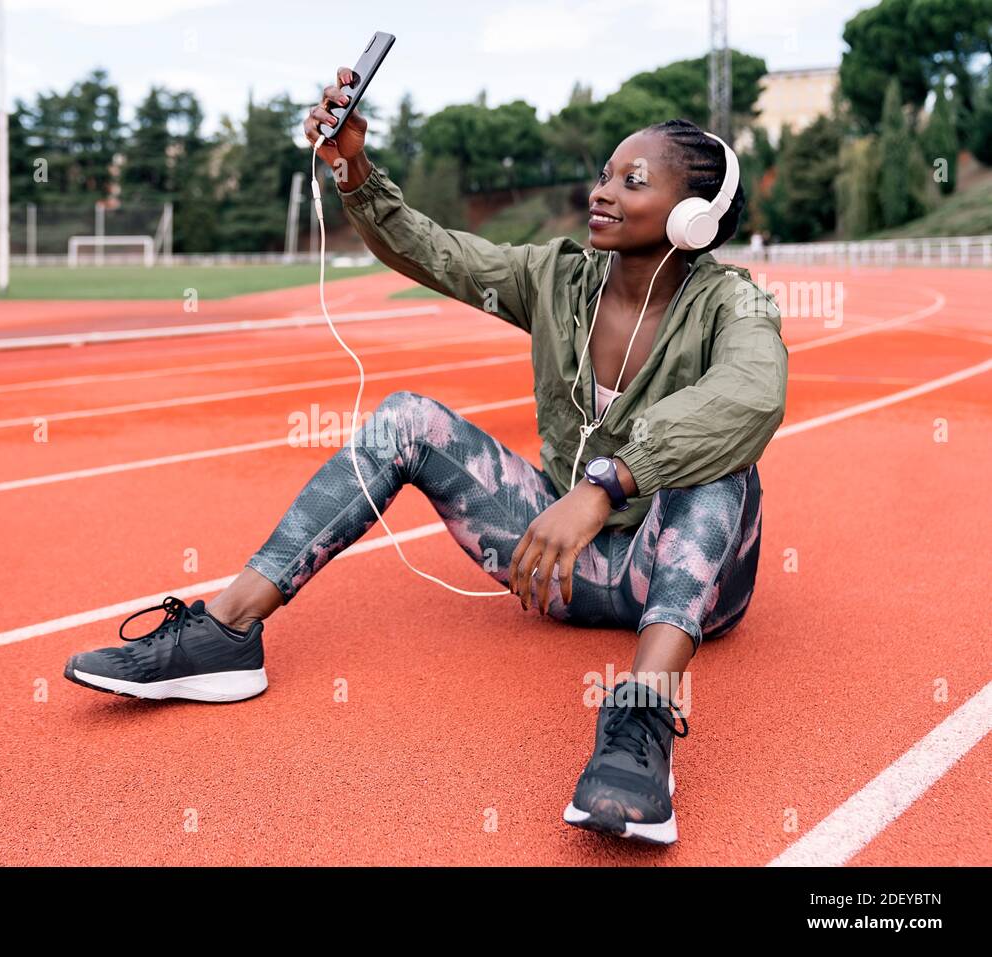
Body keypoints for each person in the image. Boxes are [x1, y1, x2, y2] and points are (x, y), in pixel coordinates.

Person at [65, 67, 788, 846]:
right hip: (558, 559)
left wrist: (609, 482)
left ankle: (641, 727)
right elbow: (437, 253)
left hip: (682, 576)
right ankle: (227, 631)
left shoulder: (735, 301)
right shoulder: (555, 278)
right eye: (605, 173)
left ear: (692, 216)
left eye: (632, 180)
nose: (602, 191)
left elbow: (752, 394)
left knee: (722, 463)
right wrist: (355, 171)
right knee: (406, 418)